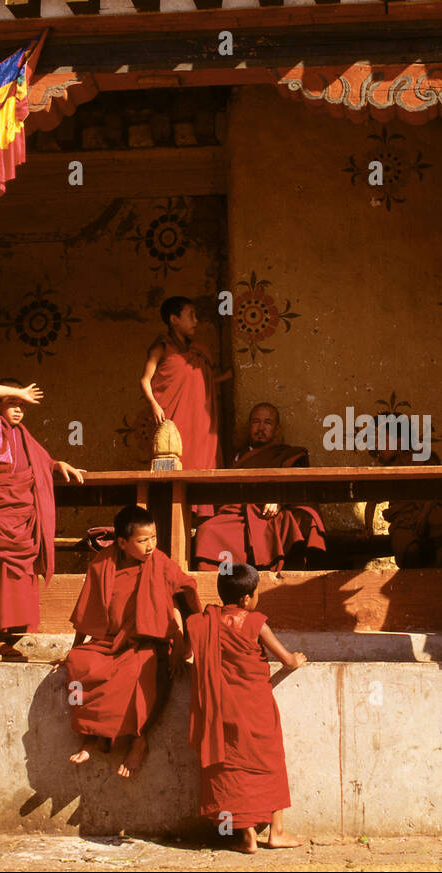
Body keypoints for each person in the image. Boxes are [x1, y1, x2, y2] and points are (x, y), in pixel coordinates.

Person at [62, 506, 200, 778]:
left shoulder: (160, 563)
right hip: (109, 642)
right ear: (122, 543)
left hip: (149, 642)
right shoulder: (103, 564)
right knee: (79, 664)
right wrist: (74, 648)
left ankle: (139, 739)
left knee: (141, 671)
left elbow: (181, 603)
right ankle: (92, 735)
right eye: (143, 540)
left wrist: (181, 651)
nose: (151, 546)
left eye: (154, 538)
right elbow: (86, 612)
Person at [185, 562, 306, 853]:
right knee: (270, 761)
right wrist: (296, 661)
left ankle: (247, 836)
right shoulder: (255, 622)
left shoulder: (203, 622)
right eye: (256, 593)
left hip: (221, 707)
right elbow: (286, 660)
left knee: (231, 765)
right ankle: (276, 832)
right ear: (245, 599)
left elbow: (186, 655)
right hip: (256, 704)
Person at [0, 380, 85, 660]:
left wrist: (57, 465)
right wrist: (19, 392)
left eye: (22, 406)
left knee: (16, 577)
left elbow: (38, 463)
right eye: (13, 404)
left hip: (20, 517)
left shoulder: (22, 435)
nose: (18, 409)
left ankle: (3, 638)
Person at [192, 403, 326, 571]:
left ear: (277, 429)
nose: (261, 428)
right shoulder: (238, 457)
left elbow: (299, 486)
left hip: (273, 514)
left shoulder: (287, 454)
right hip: (240, 514)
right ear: (249, 426)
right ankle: (224, 583)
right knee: (207, 531)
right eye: (256, 422)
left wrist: (280, 500)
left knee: (304, 517)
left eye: (268, 423)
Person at [140, 296, 231, 476]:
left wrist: (225, 377)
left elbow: (198, 384)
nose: (196, 322)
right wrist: (154, 406)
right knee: (173, 455)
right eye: (191, 316)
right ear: (174, 320)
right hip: (172, 419)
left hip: (199, 421)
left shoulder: (197, 352)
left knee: (202, 461)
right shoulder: (162, 348)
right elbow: (144, 380)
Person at [364, 447, 442, 569]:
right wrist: (368, 528)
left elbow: (436, 487)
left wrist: (424, 515)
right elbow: (371, 500)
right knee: (409, 549)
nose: (380, 450)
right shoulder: (387, 468)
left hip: (433, 511)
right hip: (406, 520)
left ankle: (439, 567)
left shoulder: (423, 456)